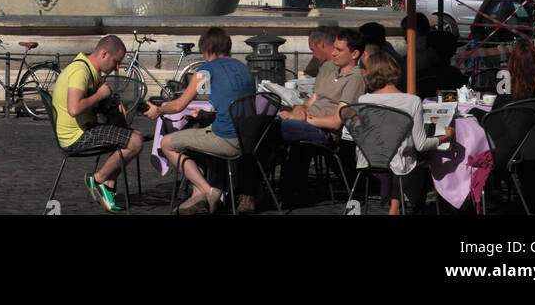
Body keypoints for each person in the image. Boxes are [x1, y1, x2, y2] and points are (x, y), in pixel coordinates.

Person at [145, 26, 255, 214]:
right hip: (250, 138)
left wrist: (158, 110)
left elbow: (179, 105)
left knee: (167, 143)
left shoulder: (207, 69)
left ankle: (208, 191)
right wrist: (207, 116)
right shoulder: (243, 67)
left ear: (207, 49)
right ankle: (200, 194)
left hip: (227, 139)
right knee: (201, 131)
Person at [51, 35, 144, 213]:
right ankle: (99, 179)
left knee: (134, 137)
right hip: (77, 136)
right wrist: (100, 95)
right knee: (135, 142)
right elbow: (74, 108)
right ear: (104, 54)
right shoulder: (81, 72)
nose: (117, 67)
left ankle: (107, 187)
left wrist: (111, 100)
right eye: (116, 62)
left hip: (85, 129)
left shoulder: (90, 70)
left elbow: (94, 101)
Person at [355, 50, 454, 215]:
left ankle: (394, 208)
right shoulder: (412, 101)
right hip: (399, 162)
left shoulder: (363, 100)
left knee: (397, 154)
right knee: (419, 157)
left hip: (369, 160)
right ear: (395, 71)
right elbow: (421, 145)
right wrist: (445, 137)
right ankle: (418, 205)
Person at [279, 28, 366, 147]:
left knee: (274, 127)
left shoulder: (355, 79)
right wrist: (299, 110)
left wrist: (301, 119)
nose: (333, 53)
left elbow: (336, 122)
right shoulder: (332, 74)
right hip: (308, 123)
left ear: (354, 54)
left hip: (324, 131)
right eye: (334, 48)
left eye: (339, 50)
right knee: (266, 121)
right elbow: (307, 104)